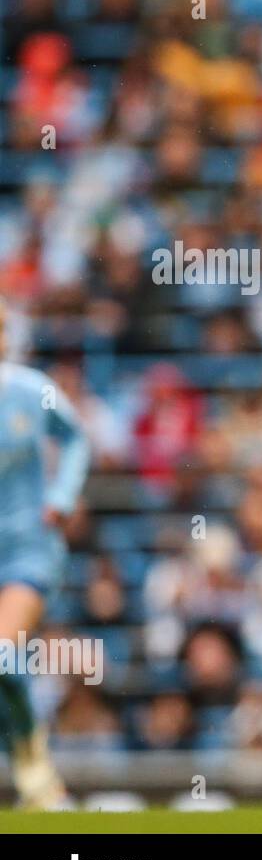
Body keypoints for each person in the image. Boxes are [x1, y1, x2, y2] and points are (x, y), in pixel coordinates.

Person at [0, 303, 90, 808]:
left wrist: (62, 496)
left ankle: (33, 771)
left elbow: (76, 438)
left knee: (2, 658)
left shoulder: (32, 392)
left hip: (25, 551)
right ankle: (36, 774)